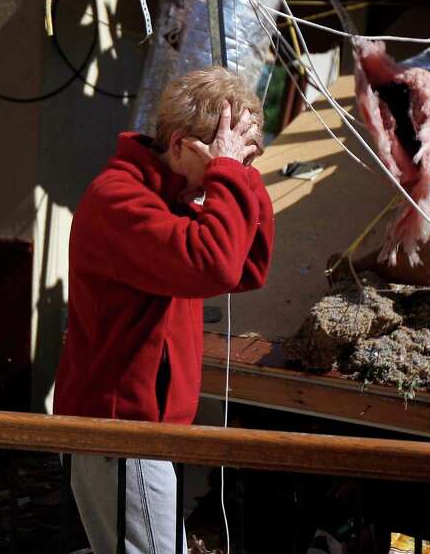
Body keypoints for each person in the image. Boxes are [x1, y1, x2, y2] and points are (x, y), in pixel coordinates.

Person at [53, 66, 274, 553]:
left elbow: (248, 266)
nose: (230, 167)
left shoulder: (175, 196)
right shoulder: (119, 200)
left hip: (145, 435)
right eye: (220, 157)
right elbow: (213, 265)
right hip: (120, 436)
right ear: (178, 146)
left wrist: (241, 173)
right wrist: (228, 174)